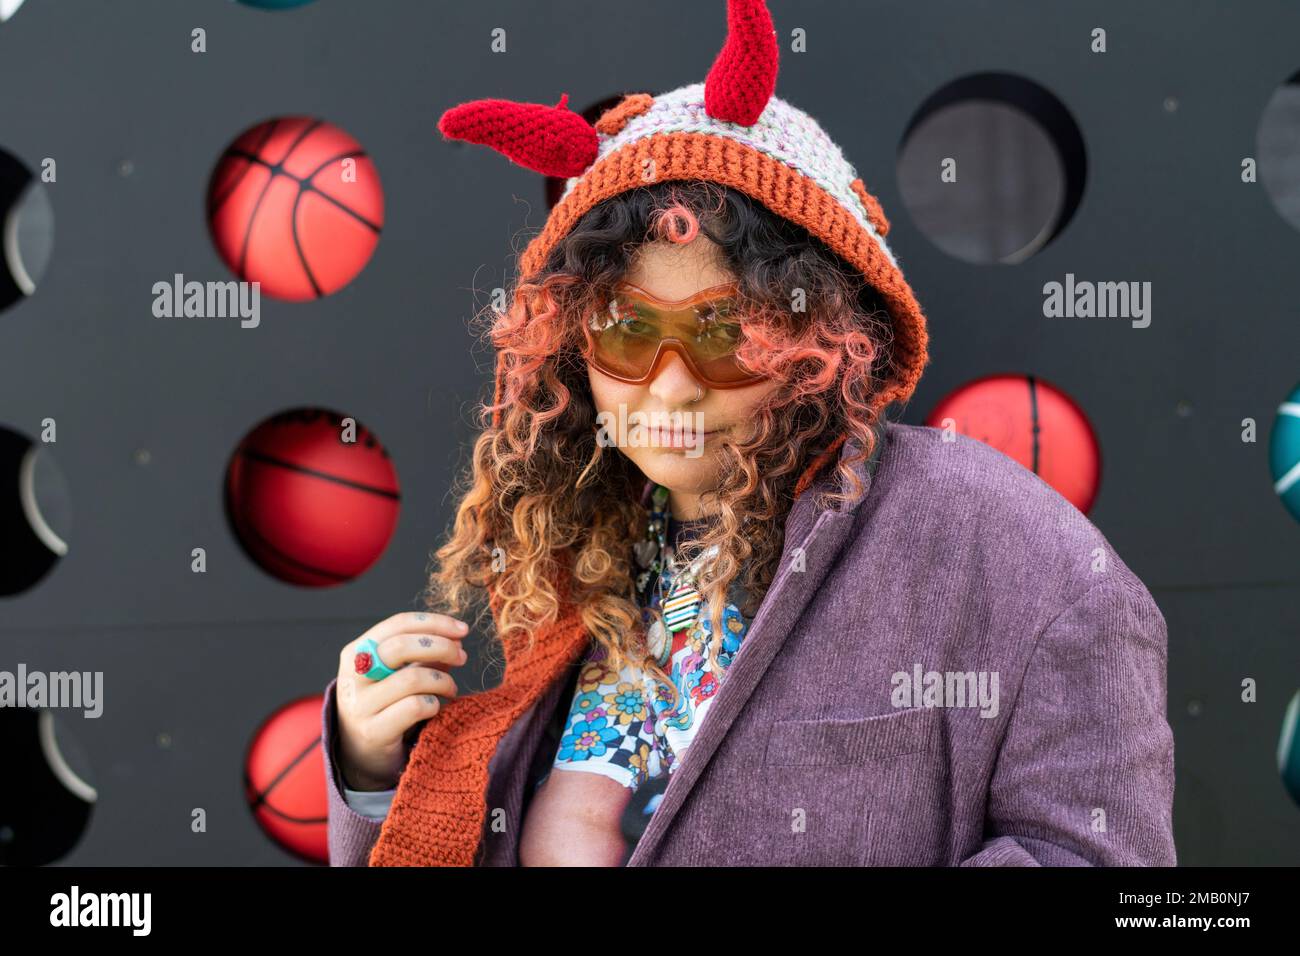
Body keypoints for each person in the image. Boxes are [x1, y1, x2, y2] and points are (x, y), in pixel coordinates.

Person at [321, 0, 1176, 867]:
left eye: (725, 333)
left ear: (826, 343)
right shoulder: (578, 557)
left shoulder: (1013, 554)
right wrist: (373, 768)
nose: (671, 385)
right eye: (625, 329)